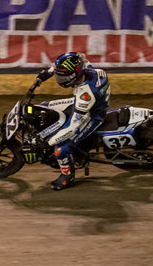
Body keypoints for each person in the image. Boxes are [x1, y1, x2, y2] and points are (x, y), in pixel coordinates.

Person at [33, 52, 110, 190]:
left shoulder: (85, 95)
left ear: (76, 74)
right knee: (44, 106)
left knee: (60, 147)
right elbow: (67, 63)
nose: (60, 79)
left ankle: (67, 176)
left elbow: (73, 125)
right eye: (59, 75)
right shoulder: (86, 67)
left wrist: (49, 142)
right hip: (86, 104)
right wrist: (44, 75)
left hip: (92, 115)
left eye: (65, 77)